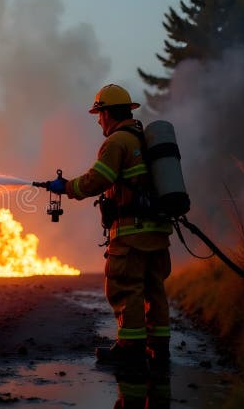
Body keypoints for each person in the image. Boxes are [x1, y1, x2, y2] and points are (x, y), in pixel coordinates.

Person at [46, 84, 173, 368]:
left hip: (131, 234)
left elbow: (96, 180)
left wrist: (66, 187)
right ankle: (159, 349)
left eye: (99, 113)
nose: (97, 119)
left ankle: (130, 349)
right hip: (158, 233)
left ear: (108, 113)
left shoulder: (117, 142)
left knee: (126, 289)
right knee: (154, 290)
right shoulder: (143, 140)